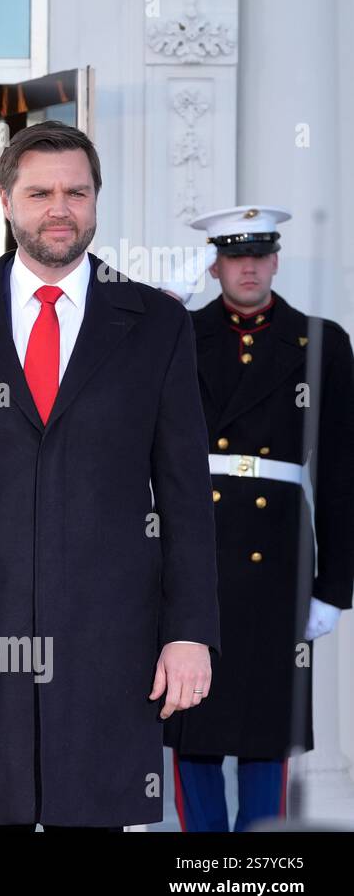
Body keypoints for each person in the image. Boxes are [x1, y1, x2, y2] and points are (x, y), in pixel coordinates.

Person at [0, 121, 219, 830]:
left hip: (112, 646)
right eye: (40, 191)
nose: (60, 208)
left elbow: (184, 496)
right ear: (6, 199)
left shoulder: (157, 326)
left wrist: (190, 631)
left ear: (97, 200)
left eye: (76, 191)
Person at [165, 205, 354, 831]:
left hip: (277, 560)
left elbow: (340, 470)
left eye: (259, 255)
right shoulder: (180, 335)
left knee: (265, 733)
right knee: (195, 727)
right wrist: (166, 308)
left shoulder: (322, 342)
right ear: (216, 264)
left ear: (274, 260)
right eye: (234, 256)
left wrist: (333, 587)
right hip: (196, 552)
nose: (248, 267)